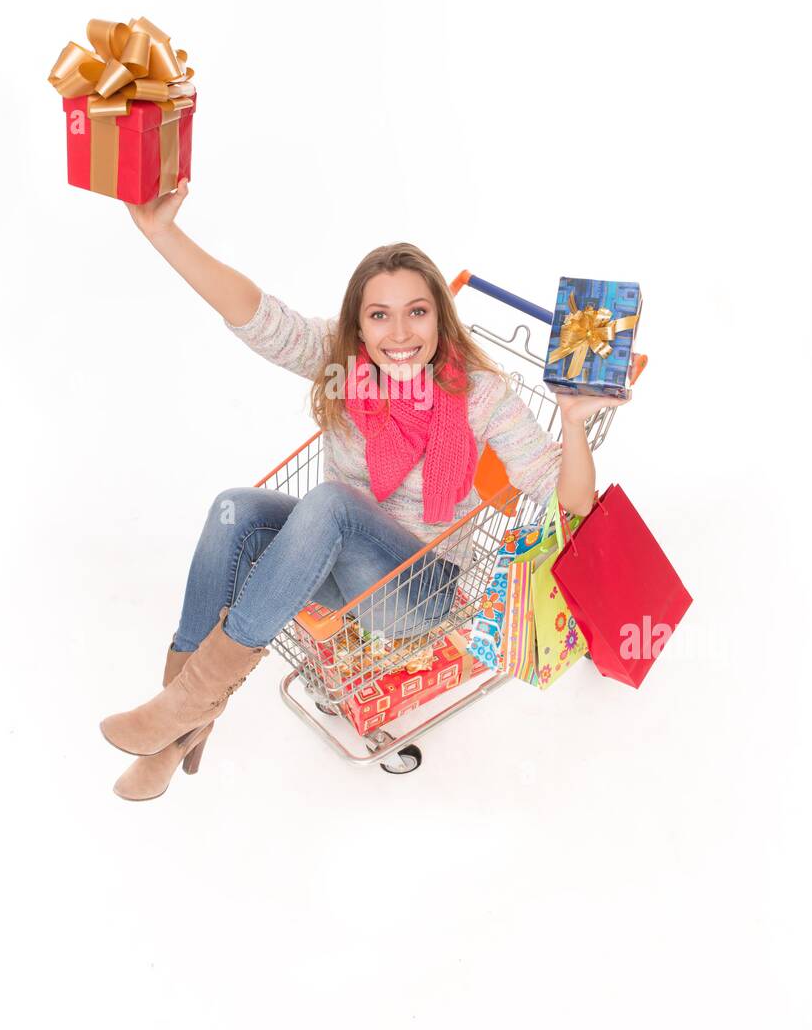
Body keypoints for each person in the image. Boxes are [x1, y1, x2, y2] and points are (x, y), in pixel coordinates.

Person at [100, 179, 627, 799]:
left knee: (331, 504)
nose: (399, 334)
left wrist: (570, 422)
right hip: (336, 560)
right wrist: (163, 233)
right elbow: (254, 313)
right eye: (380, 315)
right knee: (233, 509)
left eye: (417, 312)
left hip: (422, 595)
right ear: (359, 325)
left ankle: (184, 706)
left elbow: (566, 505)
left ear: (440, 317)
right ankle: (177, 722)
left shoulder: (483, 395)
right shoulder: (343, 365)